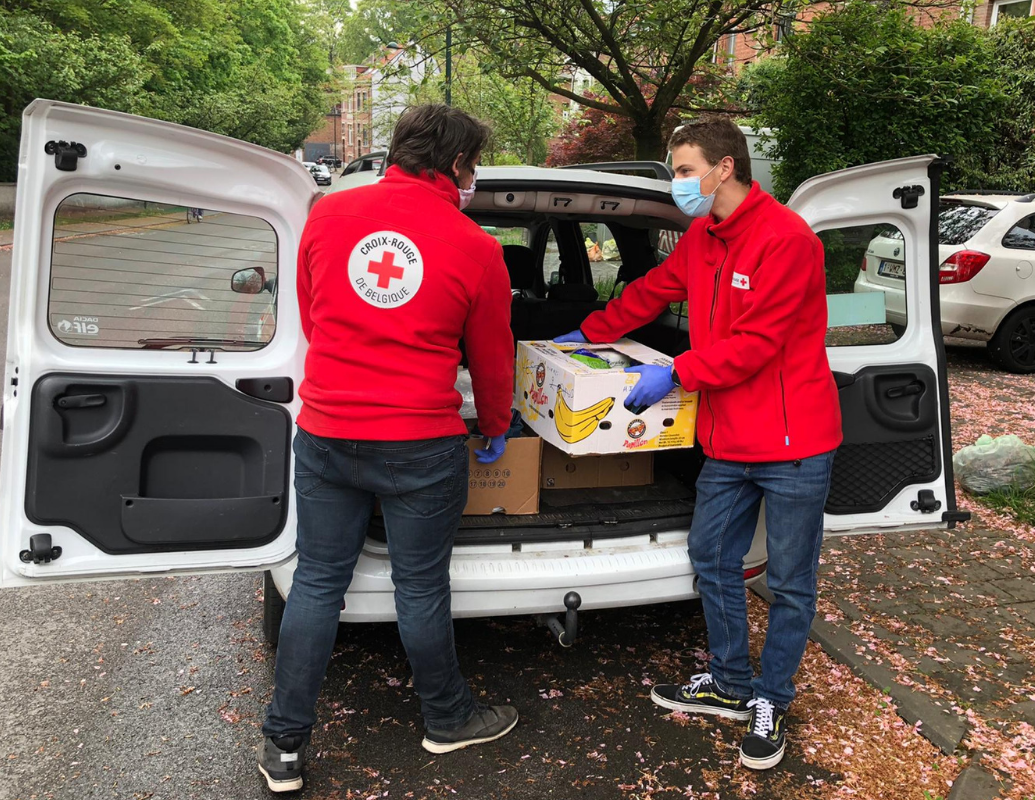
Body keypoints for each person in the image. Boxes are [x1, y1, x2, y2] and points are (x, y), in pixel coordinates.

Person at [554, 117, 841, 771]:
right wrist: (589, 332)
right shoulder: (705, 237)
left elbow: (757, 345)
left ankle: (771, 700)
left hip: (793, 442)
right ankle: (731, 682)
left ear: (726, 167)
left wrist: (675, 373)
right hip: (727, 437)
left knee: (791, 585)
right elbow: (653, 291)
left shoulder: (786, 240)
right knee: (711, 560)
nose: (678, 182)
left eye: (684, 170)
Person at [258, 104, 517, 793]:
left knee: (316, 583)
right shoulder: (476, 246)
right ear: (458, 166)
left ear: (400, 151)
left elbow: (313, 318)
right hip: (419, 444)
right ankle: (447, 718)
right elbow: (492, 359)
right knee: (420, 586)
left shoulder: (327, 218)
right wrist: (495, 424)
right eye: (474, 167)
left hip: (327, 432)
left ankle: (283, 745)